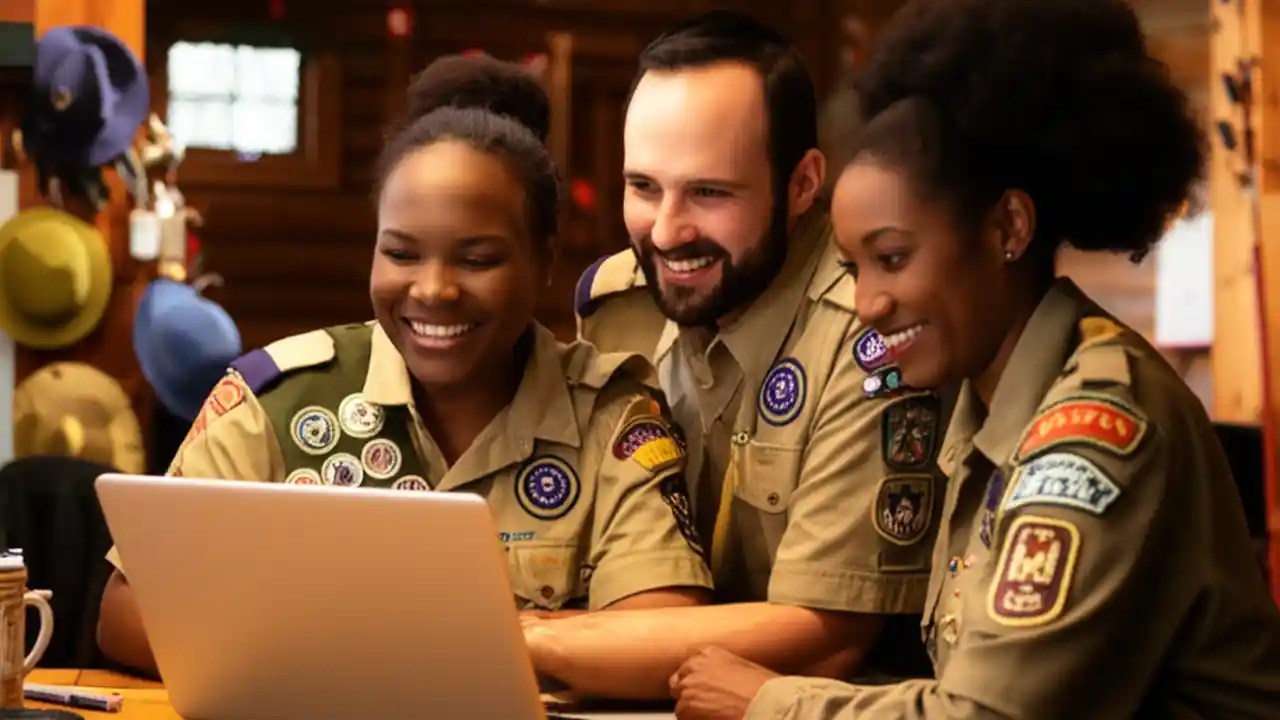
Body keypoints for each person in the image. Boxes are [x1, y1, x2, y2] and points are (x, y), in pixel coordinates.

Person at [668, 1, 1280, 718]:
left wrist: (769, 702)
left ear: (1008, 229)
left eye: (893, 258)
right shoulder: (976, 403)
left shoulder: (1095, 429)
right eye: (854, 267)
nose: (868, 303)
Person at [95, 54, 712, 678]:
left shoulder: (612, 418)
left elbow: (662, 632)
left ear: (543, 259)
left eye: (477, 260)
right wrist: (380, 656)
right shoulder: (276, 402)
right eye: (401, 253)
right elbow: (127, 611)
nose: (432, 290)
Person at [525, 10, 944, 701]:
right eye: (643, 187)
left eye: (709, 193)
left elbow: (828, 634)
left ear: (803, 184)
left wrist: (543, 641)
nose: (665, 232)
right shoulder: (617, 302)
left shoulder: (868, 331)